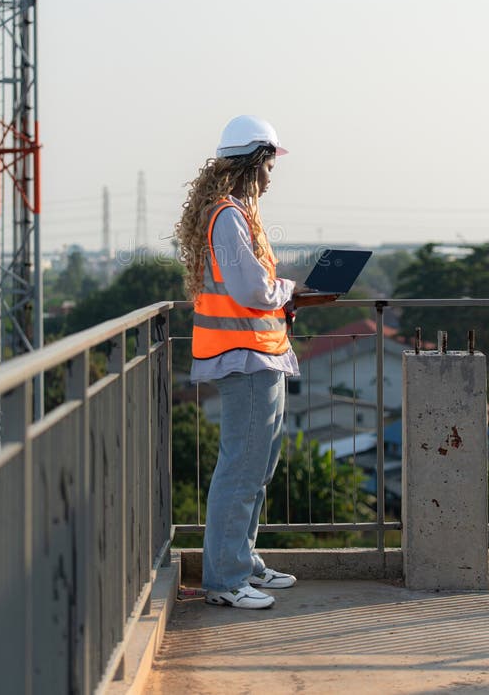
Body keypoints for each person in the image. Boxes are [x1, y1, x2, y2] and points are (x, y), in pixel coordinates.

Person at [175, 115, 308, 610]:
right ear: (257, 160)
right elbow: (251, 289)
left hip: (260, 356)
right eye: (272, 163)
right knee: (240, 469)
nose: (274, 175)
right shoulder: (228, 216)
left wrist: (281, 298)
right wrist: (289, 289)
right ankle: (226, 580)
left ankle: (243, 563)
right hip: (243, 361)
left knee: (257, 467)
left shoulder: (238, 214)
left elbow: (252, 290)